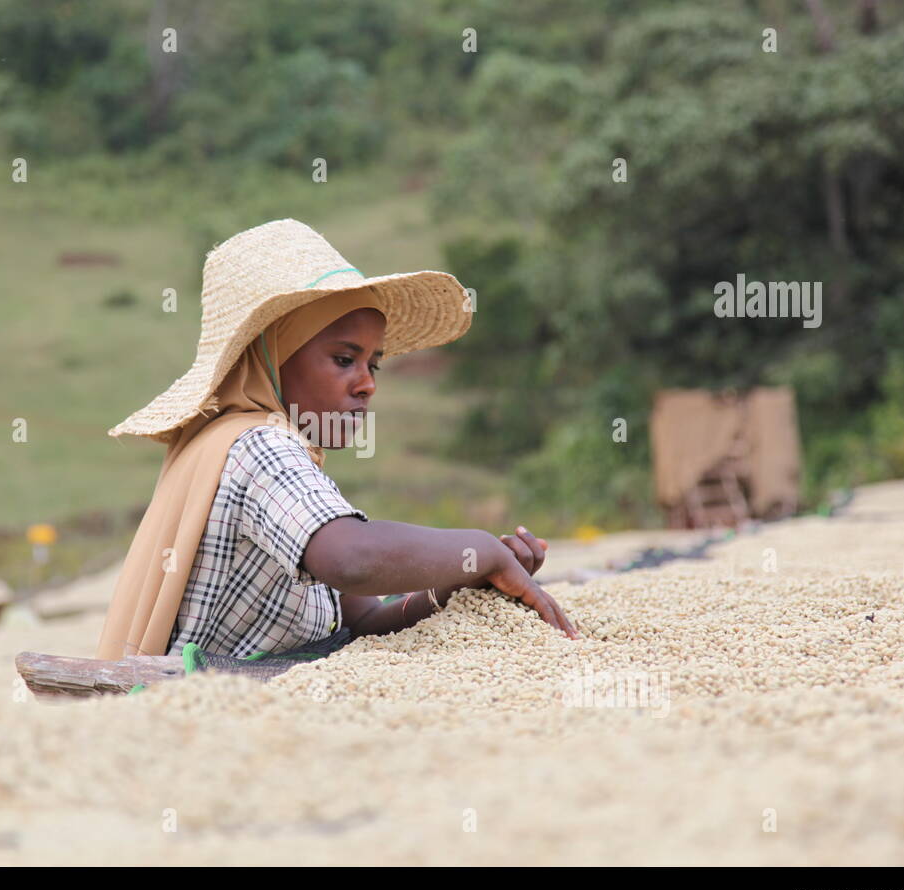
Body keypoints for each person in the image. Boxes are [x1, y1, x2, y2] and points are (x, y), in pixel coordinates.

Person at [96, 218, 578, 663]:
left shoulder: (261, 451)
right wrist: (480, 547)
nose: (367, 383)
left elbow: (365, 621)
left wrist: (468, 578)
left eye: (374, 363)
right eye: (344, 360)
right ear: (270, 357)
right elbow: (352, 559)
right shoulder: (260, 446)